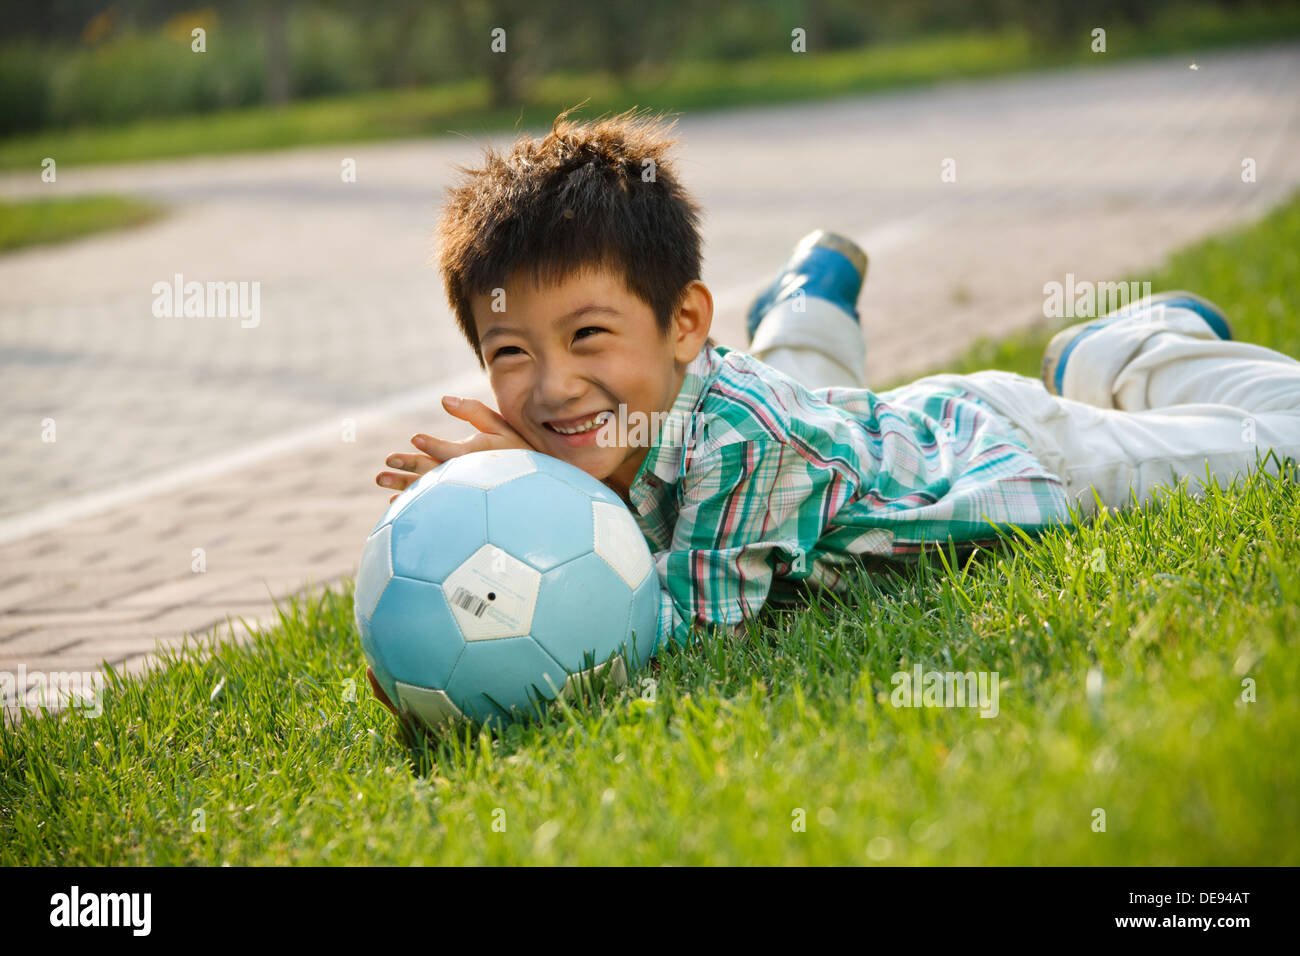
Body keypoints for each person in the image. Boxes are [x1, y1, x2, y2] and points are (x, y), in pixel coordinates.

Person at [367, 106, 1300, 717]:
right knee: (800, 399)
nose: (552, 386)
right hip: (843, 423)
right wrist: (494, 496)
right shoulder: (629, 412)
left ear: (684, 321)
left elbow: (687, 634)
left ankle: (1140, 350)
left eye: (588, 336)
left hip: (1013, 455)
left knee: (1284, 443)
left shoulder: (742, 449)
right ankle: (805, 307)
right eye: (511, 354)